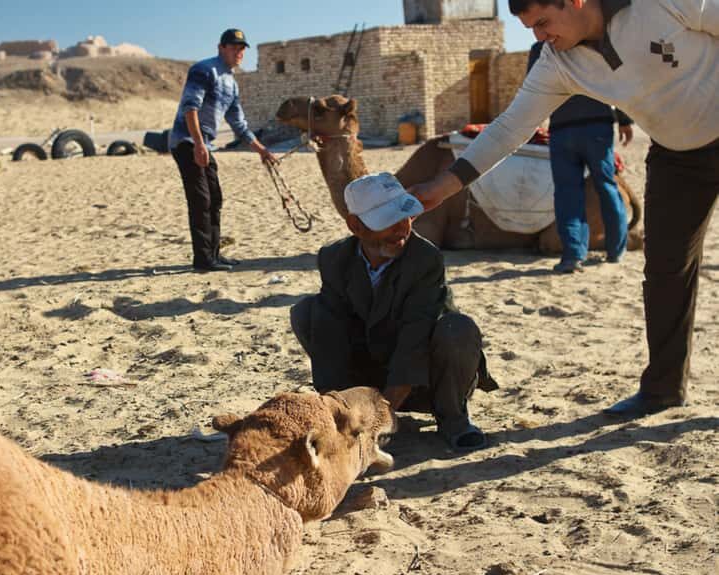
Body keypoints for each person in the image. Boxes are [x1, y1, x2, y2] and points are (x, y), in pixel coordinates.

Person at [407, 0, 718, 418]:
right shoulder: (558, 62)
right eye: (530, 27)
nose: (538, 36)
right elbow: (508, 129)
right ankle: (663, 389)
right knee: (665, 270)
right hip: (677, 158)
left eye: (542, 22)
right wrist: (444, 186)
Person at [290, 173, 498, 451]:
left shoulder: (425, 259)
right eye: (388, 222)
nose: (401, 229)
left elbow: (416, 334)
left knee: (457, 328)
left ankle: (453, 418)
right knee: (307, 312)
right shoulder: (333, 258)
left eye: (407, 217)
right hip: (371, 375)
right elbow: (331, 334)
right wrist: (338, 410)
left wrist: (381, 415)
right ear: (356, 225)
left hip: (427, 377)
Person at [169, 28, 277, 272]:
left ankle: (214, 254)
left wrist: (261, 150)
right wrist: (197, 143)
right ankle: (203, 259)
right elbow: (190, 107)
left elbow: (239, 124)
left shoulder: (231, 83)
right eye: (234, 47)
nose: (239, 52)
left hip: (205, 144)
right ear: (221, 48)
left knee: (215, 199)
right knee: (201, 200)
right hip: (187, 141)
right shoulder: (204, 70)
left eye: (242, 48)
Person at [527, 40, 634, 274]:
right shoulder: (596, 42)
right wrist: (625, 120)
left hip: (562, 129)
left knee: (567, 192)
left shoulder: (541, 49)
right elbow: (619, 79)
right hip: (597, 126)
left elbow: (533, 90)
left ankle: (573, 256)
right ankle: (616, 251)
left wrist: (529, 125)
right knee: (606, 186)